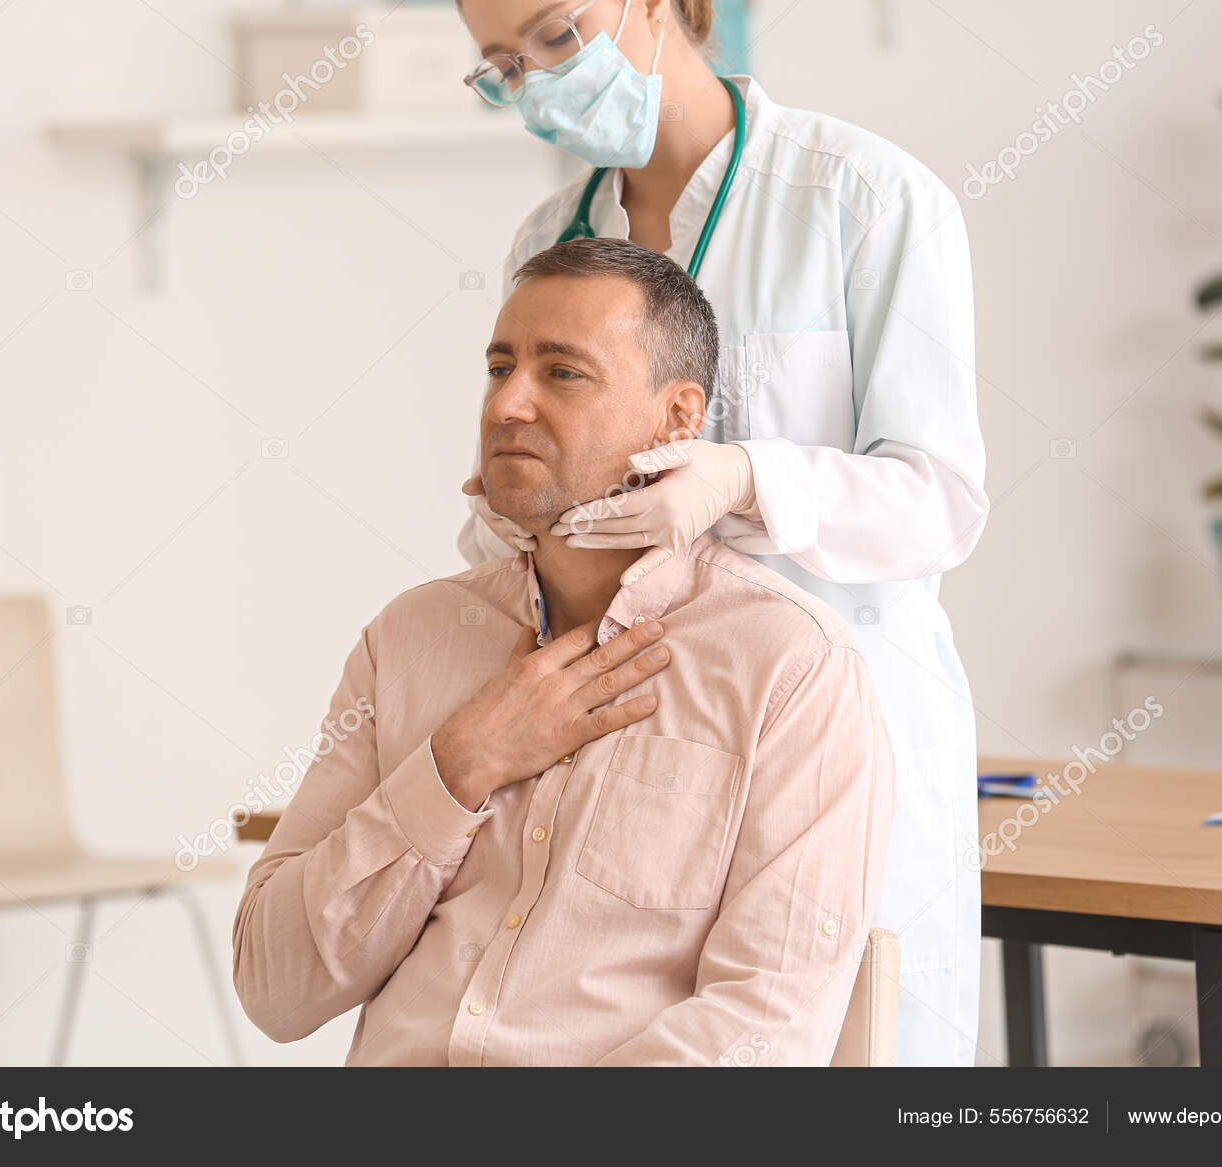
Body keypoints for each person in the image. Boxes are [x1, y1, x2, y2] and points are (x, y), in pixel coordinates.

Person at [454, 0, 987, 1064]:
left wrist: (747, 476)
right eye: (504, 66)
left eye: (556, 37)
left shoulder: (863, 198)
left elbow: (939, 500)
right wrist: (507, 516)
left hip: (835, 739)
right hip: (632, 747)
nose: (539, 83)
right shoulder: (549, 241)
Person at [234, 238, 894, 1065]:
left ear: (678, 419)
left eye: (562, 372)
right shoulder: (407, 638)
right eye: (499, 367)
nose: (508, 404)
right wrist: (458, 765)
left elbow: (763, 1027)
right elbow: (275, 988)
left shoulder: (792, 668)